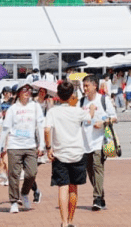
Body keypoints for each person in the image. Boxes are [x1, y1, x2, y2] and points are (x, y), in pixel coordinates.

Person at [44, 80, 91, 227]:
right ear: (72, 95)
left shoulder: (53, 111)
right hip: (77, 153)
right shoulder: (78, 111)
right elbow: (89, 118)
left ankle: (64, 222)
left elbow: (47, 129)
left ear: (58, 95)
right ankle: (71, 220)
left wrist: (48, 147)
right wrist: (93, 110)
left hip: (60, 154)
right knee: (73, 188)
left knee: (62, 187)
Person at [0, 82, 46, 213]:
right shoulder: (13, 109)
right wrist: (0, 146)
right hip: (14, 145)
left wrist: (41, 144)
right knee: (14, 174)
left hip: (30, 145)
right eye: (24, 89)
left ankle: (24, 193)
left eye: (29, 89)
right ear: (19, 92)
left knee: (32, 173)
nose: (27, 91)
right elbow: (6, 128)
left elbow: (40, 126)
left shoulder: (35, 106)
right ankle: (13, 201)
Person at [82, 77, 117, 211]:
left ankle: (96, 198)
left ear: (95, 86)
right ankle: (101, 197)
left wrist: (102, 123)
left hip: (100, 141)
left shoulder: (103, 99)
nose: (85, 89)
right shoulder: (81, 101)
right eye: (84, 86)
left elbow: (114, 117)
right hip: (85, 142)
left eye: (87, 86)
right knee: (90, 171)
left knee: (98, 168)